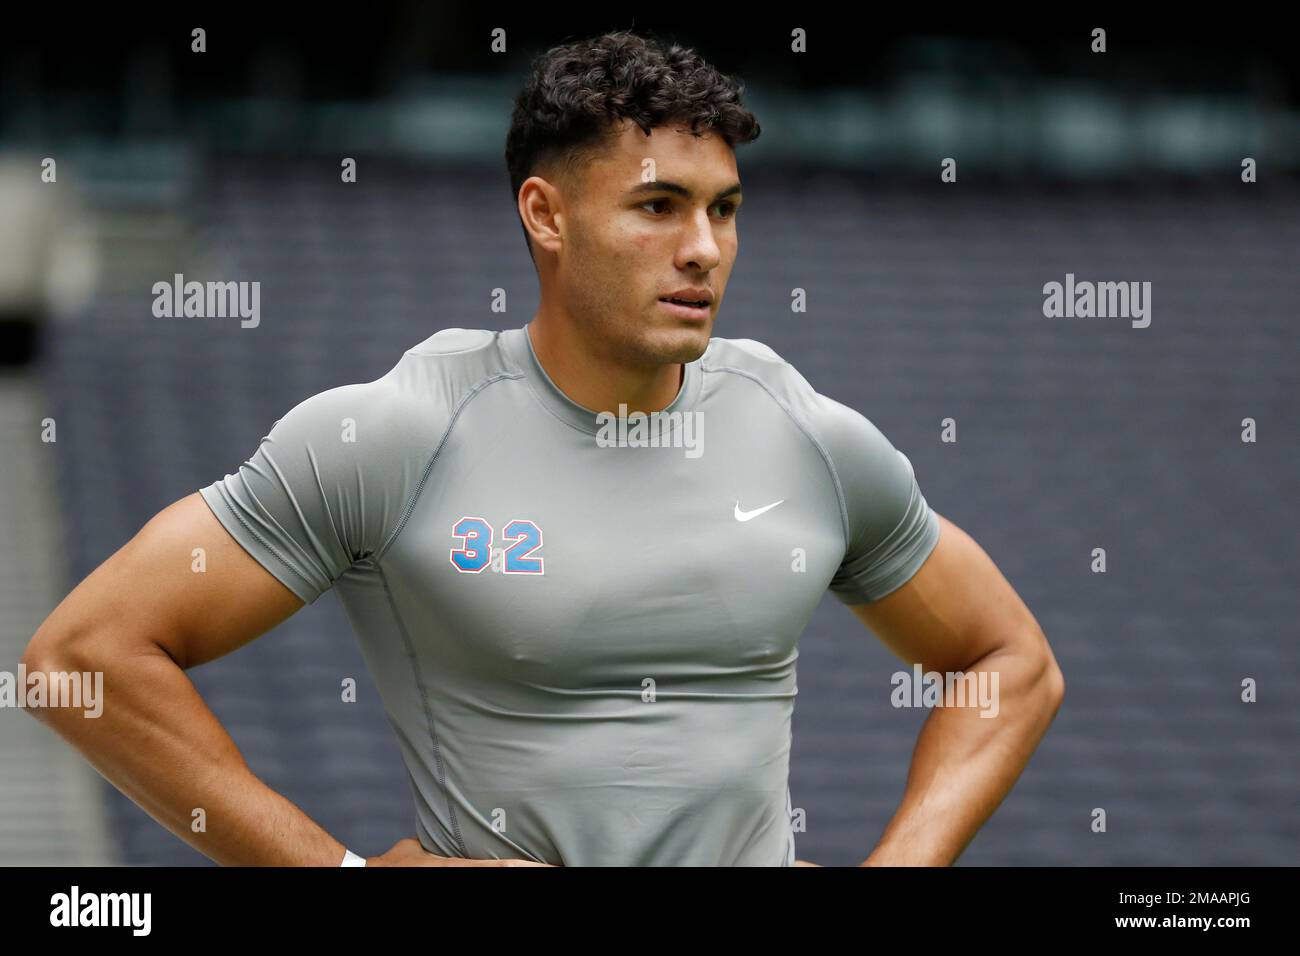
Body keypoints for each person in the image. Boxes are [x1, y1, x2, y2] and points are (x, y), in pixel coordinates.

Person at [22, 29, 1063, 866]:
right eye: (658, 207)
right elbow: (81, 659)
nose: (703, 248)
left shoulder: (805, 432)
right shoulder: (399, 430)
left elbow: (1008, 660)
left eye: (723, 210)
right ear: (546, 214)